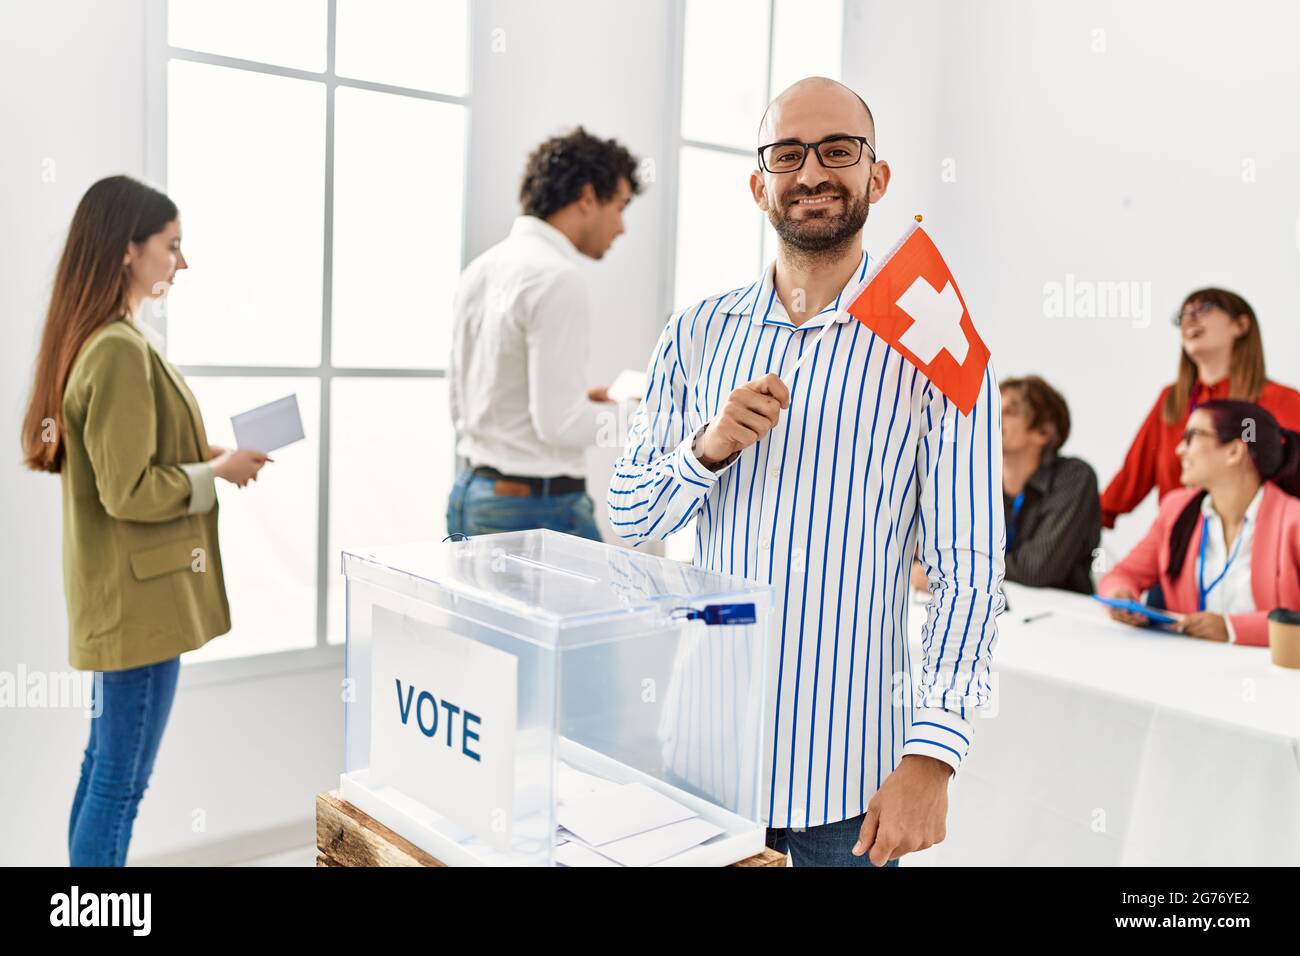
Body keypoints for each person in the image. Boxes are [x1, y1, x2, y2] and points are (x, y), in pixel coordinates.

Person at [608, 78, 1005, 867]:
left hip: (854, 779)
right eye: (788, 154)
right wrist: (706, 448)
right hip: (706, 756)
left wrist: (935, 752)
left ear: (877, 176)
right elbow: (627, 517)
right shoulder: (695, 333)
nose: (813, 172)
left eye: (839, 150)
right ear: (759, 184)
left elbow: (971, 570)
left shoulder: (938, 343)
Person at [20, 175, 269, 866]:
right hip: (141, 603)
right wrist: (217, 474)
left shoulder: (102, 340)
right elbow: (127, 492)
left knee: (104, 770)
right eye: (172, 246)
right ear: (129, 250)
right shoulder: (120, 350)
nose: (180, 263)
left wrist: (208, 456)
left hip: (125, 598)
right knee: (119, 782)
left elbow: (123, 465)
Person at [447, 127, 641, 541]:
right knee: (612, 605)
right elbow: (560, 425)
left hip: (470, 494)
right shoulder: (557, 278)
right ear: (588, 197)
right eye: (620, 206)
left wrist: (577, 398)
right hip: (535, 509)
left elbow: (466, 399)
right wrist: (655, 421)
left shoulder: (479, 270)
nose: (622, 227)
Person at [1099, 400, 1300, 645]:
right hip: (1190, 669)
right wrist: (1121, 596)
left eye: (1192, 436)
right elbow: (1122, 574)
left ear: (1235, 451)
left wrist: (1232, 629)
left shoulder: (1293, 521)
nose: (1179, 449)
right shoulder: (1177, 509)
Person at [1100, 288, 1300, 529]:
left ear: (1241, 325)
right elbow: (1129, 480)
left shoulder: (1280, 400)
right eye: (1182, 315)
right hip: (1181, 546)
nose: (1189, 319)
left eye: (1204, 309)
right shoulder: (1171, 401)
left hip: (1254, 544)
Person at [912, 375, 1099, 594]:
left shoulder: (1074, 477)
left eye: (1009, 412)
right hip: (991, 606)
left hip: (1058, 617)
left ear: (1044, 432)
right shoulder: (976, 475)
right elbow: (938, 548)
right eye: (992, 407)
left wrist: (956, 570)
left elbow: (1036, 569)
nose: (992, 416)